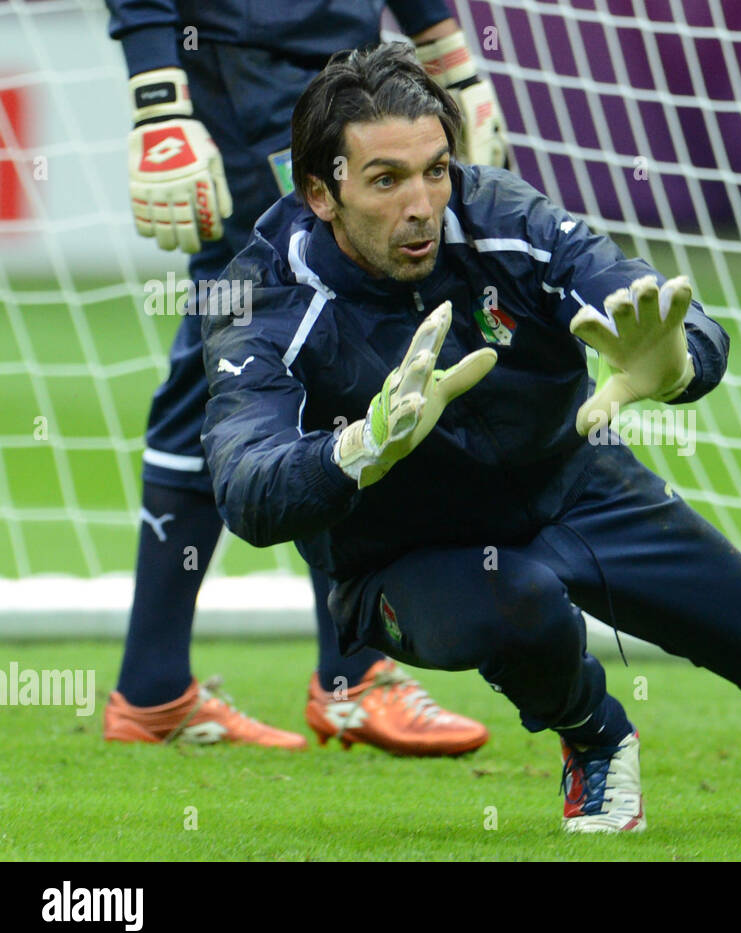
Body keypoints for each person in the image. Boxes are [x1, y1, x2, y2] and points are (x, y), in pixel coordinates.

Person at [201, 42, 741, 830]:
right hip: (401, 558)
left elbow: (662, 309)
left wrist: (674, 363)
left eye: (435, 169)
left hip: (571, 483)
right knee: (522, 602)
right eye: (387, 180)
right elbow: (246, 484)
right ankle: (594, 737)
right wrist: (359, 449)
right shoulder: (267, 300)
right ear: (321, 193)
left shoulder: (501, 216)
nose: (424, 204)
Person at [102, 0, 503, 753]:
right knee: (287, 320)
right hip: (236, 63)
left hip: (346, 66)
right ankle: (349, 675)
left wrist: (449, 51)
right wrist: (157, 94)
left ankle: (160, 685)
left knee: (248, 331)